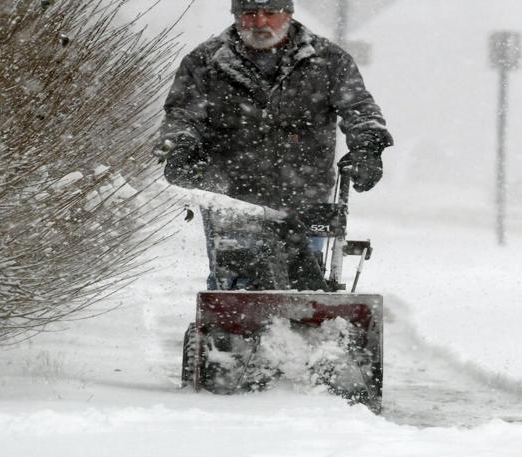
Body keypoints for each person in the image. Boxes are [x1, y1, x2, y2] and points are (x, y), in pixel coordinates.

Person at [155, 0, 393, 291]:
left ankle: (313, 316)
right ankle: (228, 324)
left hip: (305, 192)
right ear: (235, 15)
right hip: (232, 196)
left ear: (289, 14)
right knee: (234, 275)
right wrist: (181, 147)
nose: (259, 22)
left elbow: (360, 109)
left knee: (308, 276)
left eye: (270, 13)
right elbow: (181, 115)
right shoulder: (205, 62)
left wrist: (367, 148)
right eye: (250, 14)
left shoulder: (328, 60)